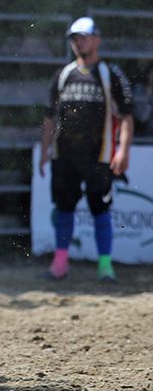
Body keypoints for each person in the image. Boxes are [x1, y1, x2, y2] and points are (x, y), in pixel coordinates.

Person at [38, 16, 134, 281]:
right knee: (64, 209)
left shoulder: (110, 74)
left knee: (101, 210)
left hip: (99, 157)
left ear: (96, 40)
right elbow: (49, 116)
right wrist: (45, 150)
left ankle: (105, 266)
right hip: (65, 157)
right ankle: (60, 264)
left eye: (84, 37)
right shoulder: (63, 75)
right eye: (75, 38)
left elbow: (126, 116)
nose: (79, 42)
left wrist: (123, 150)